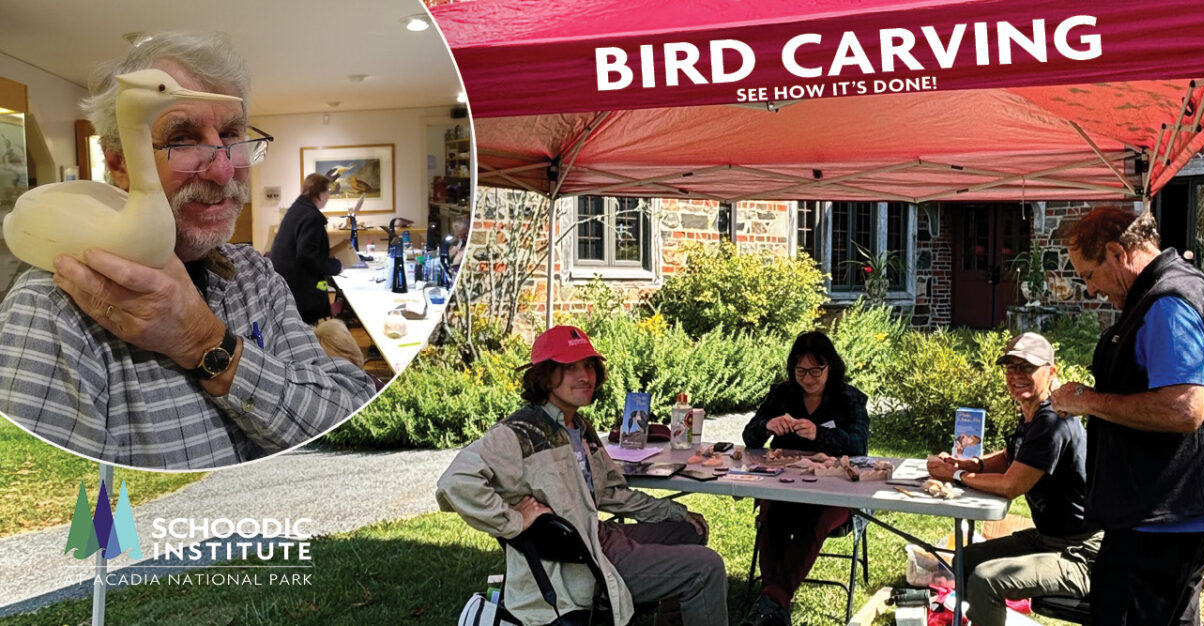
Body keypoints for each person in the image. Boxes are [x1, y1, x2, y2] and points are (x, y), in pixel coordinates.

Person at [0, 33, 374, 470]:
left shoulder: (254, 276)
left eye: (232, 133)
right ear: (119, 164)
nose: (222, 169)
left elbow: (355, 424)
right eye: (182, 138)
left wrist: (203, 340)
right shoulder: (53, 309)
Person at [437, 325, 727, 626]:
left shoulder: (579, 427)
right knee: (706, 567)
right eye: (569, 367)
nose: (585, 376)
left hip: (597, 536)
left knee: (688, 531)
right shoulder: (521, 431)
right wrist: (512, 521)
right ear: (545, 375)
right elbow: (455, 482)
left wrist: (673, 511)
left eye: (589, 365)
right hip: (574, 564)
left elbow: (610, 493)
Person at [1050, 207, 1204, 625]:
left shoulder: (1167, 303)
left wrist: (1088, 401)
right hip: (1168, 512)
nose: (1090, 290)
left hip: (1163, 517)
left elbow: (1184, 408)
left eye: (1088, 274)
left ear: (1116, 253)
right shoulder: (1179, 287)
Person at [925, 332, 1099, 625]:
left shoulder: (1054, 420)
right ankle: (983, 617)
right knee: (964, 561)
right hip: (1047, 538)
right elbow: (1012, 456)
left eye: (1027, 367)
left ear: (1051, 372)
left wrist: (956, 474)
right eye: (1011, 367)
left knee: (985, 579)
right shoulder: (1035, 413)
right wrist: (969, 463)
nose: (1017, 375)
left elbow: (1010, 485)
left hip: (1081, 553)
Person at [740, 330, 870, 626]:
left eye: (815, 370)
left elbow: (860, 447)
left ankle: (771, 601)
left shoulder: (848, 399)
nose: (808, 378)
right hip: (783, 485)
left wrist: (820, 434)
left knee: (816, 519)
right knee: (771, 516)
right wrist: (767, 425)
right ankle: (775, 604)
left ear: (830, 367)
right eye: (801, 371)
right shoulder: (783, 394)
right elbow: (749, 436)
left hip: (832, 490)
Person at [270, 173, 343, 324]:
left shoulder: (298, 209)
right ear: (319, 193)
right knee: (308, 326)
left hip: (288, 282)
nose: (328, 196)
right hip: (301, 289)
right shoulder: (311, 217)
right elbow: (307, 255)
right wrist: (335, 266)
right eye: (327, 191)